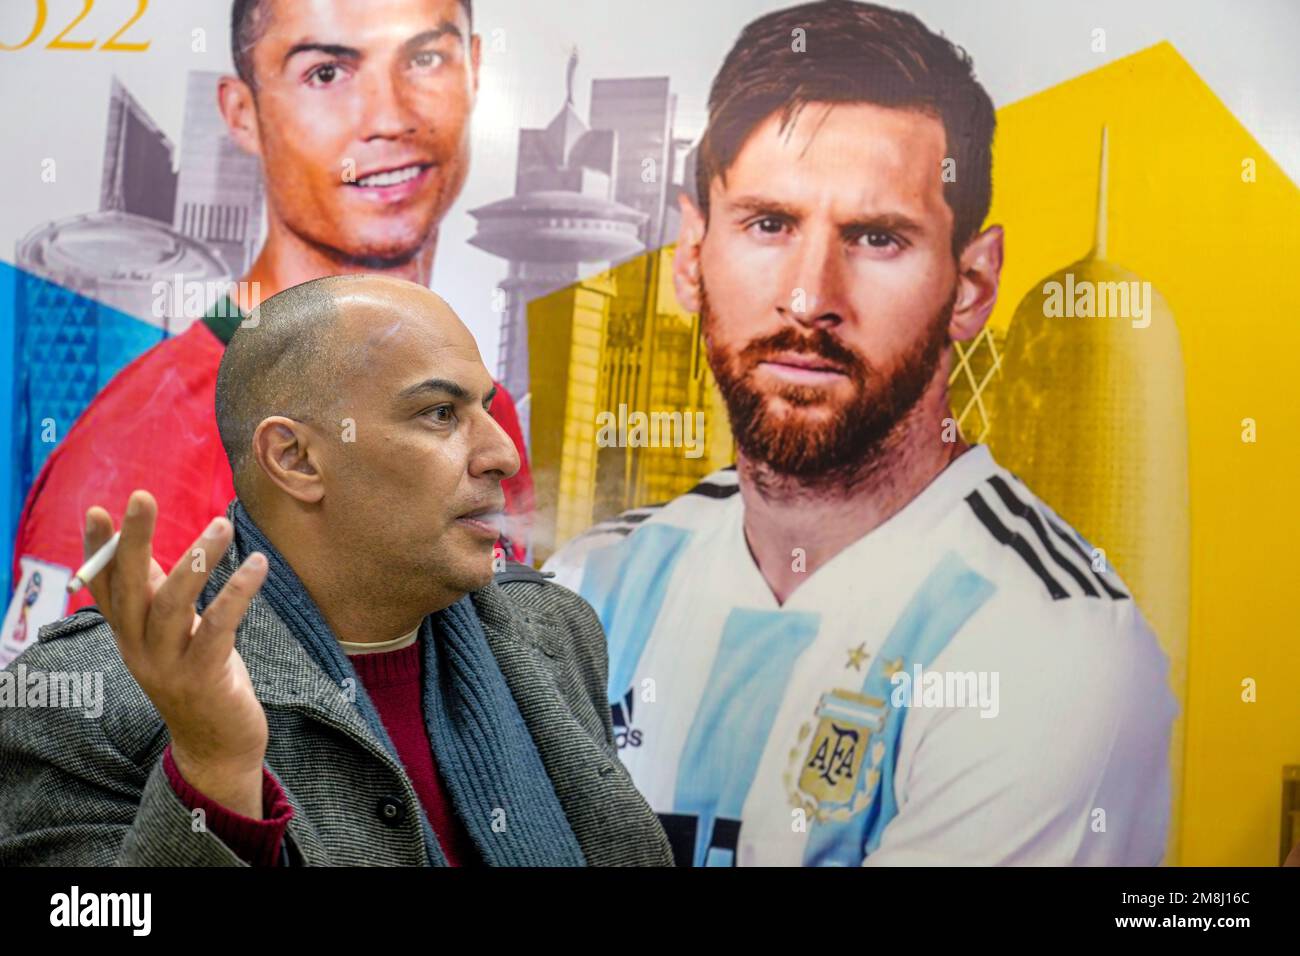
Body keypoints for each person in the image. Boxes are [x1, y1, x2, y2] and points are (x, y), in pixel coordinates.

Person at [544, 0, 1176, 866]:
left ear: (972, 286)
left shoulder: (1051, 644)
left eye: (878, 237)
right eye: (769, 224)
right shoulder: (589, 585)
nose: (810, 298)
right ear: (692, 255)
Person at [0, 275, 672, 867]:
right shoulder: (84, 697)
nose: (500, 453)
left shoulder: (554, 632)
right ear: (294, 459)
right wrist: (212, 769)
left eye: (487, 409)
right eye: (441, 414)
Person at [1, 0, 533, 668]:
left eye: (425, 58)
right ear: (242, 113)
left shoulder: (486, 413)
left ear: (475, 69)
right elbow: (66, 751)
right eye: (326, 73)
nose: (392, 117)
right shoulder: (139, 451)